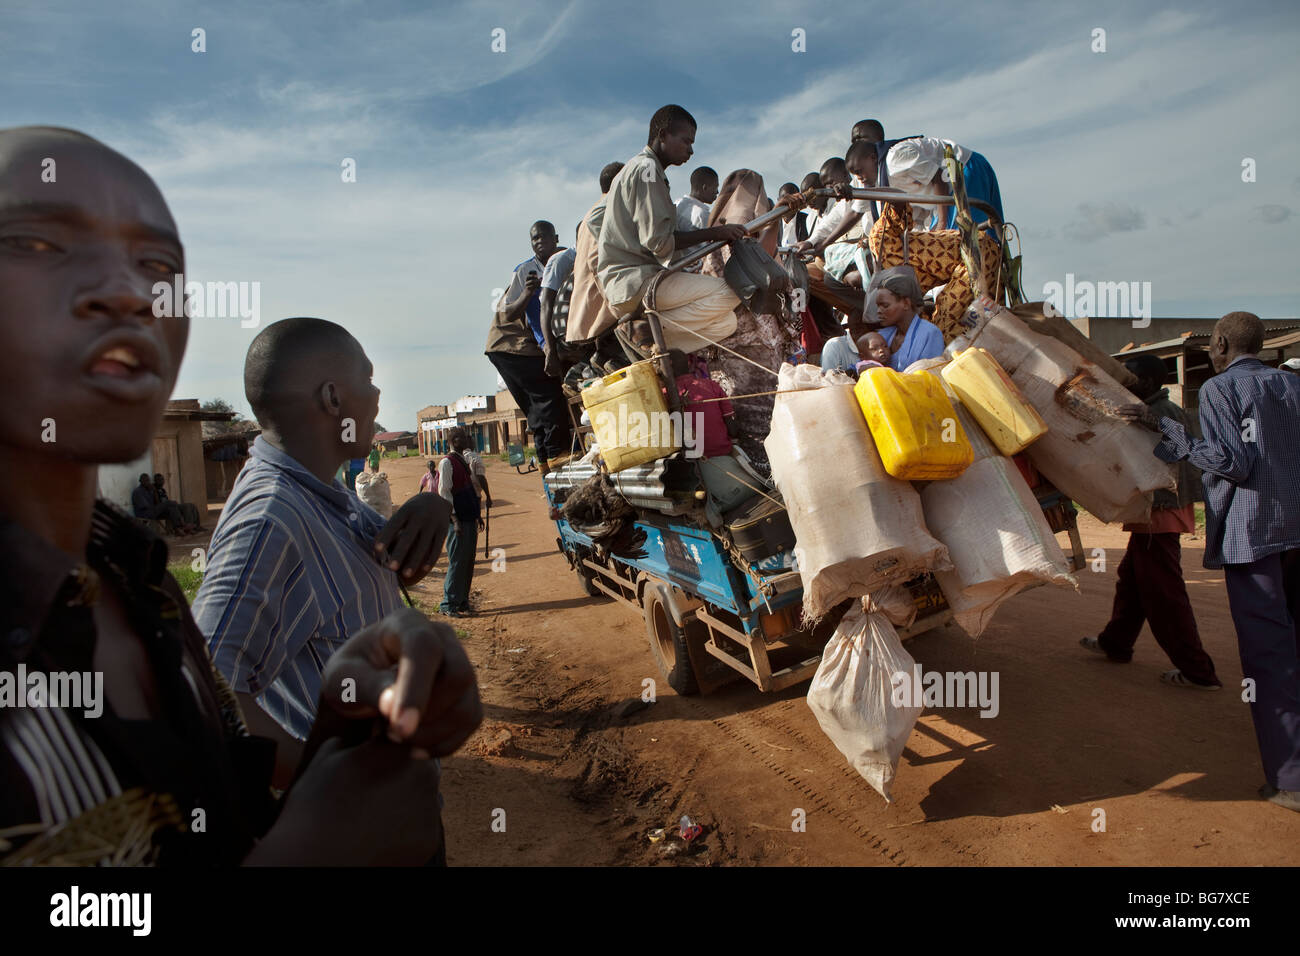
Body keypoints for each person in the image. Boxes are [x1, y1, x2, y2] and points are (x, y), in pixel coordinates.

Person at [0, 125, 479, 866]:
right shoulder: (263, 521)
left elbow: (210, 788)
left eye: (157, 264)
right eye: (37, 243)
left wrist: (336, 721)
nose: (129, 291)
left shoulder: (135, 575)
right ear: (330, 395)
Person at [195, 316, 454, 786]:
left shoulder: (322, 494)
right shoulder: (271, 518)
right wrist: (329, 785)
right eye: (369, 379)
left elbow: (395, 567)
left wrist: (432, 506)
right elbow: (202, 694)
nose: (377, 397)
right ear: (333, 398)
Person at [1119, 312, 1300, 813]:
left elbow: (1232, 463)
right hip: (1295, 529)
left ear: (1218, 343)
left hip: (1254, 532)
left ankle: (1289, 778)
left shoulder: (1222, 389)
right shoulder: (1290, 383)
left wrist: (1168, 433)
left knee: (1270, 654)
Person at [1081, 354, 1220, 689]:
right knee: (1131, 580)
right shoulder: (1143, 408)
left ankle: (1199, 672)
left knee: (1164, 595)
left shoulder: (1162, 411)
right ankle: (1117, 642)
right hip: (1152, 512)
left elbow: (1182, 441)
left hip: (1161, 511)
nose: (1128, 380)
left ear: (1152, 381)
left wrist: (1151, 418)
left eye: (1135, 375)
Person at [596, 104, 746, 357]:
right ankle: (637, 333)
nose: (691, 150)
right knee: (730, 292)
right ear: (663, 134)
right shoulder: (646, 170)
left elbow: (595, 220)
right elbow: (658, 241)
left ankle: (646, 345)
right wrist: (716, 233)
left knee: (726, 323)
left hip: (637, 281)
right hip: (634, 281)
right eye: (686, 141)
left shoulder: (640, 171)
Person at [699, 169, 800, 472]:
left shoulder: (739, 239)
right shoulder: (720, 246)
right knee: (755, 416)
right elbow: (755, 274)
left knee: (768, 414)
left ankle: (772, 471)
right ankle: (765, 475)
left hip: (760, 349)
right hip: (741, 351)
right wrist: (774, 222)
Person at [486, 220, 573, 474]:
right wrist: (526, 293)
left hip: (521, 345)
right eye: (534, 238)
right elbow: (513, 313)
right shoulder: (526, 271)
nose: (539, 242)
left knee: (537, 415)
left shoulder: (565, 260)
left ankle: (547, 470)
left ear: (555, 238)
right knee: (550, 398)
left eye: (543, 237)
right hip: (511, 346)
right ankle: (560, 461)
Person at [867, 195, 1002, 340]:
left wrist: (861, 191)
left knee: (948, 328)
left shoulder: (879, 239)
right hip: (963, 265)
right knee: (942, 320)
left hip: (976, 253)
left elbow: (897, 197)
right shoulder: (890, 289)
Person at [565, 163, 627, 376]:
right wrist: (621, 305)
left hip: (594, 306)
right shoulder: (609, 208)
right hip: (604, 305)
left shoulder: (595, 210)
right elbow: (597, 259)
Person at [884, 135, 1004, 232]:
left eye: (863, 169)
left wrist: (942, 223)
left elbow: (938, 178)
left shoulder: (894, 158)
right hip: (958, 182)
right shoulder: (883, 184)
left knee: (963, 243)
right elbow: (919, 216)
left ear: (872, 157)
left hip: (963, 173)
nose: (863, 179)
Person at [437, 427, 490, 618]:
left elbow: (470, 491)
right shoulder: (446, 462)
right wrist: (454, 520)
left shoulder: (463, 461)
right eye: (457, 437)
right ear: (451, 441)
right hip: (457, 522)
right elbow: (445, 493)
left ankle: (462, 601)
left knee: (467, 562)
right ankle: (448, 604)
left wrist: (478, 516)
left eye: (464, 437)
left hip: (469, 518)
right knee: (457, 562)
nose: (462, 440)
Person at [873, 271, 945, 371]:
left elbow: (931, 376)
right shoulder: (883, 335)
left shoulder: (930, 334)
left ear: (906, 303)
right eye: (878, 306)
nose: (879, 311)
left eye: (885, 306)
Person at [674, 165, 718, 271]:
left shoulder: (676, 203)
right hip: (694, 270)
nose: (717, 192)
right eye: (716, 187)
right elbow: (709, 250)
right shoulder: (702, 214)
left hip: (675, 266)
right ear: (705, 187)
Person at [130, 471, 195, 534]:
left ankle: (178, 528)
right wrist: (159, 507)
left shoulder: (149, 490)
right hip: (145, 514)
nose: (148, 482)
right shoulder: (138, 492)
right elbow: (146, 506)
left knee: (171, 509)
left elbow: (156, 503)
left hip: (152, 512)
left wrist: (154, 491)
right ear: (141, 481)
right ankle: (183, 525)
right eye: (146, 481)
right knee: (168, 503)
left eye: (148, 480)